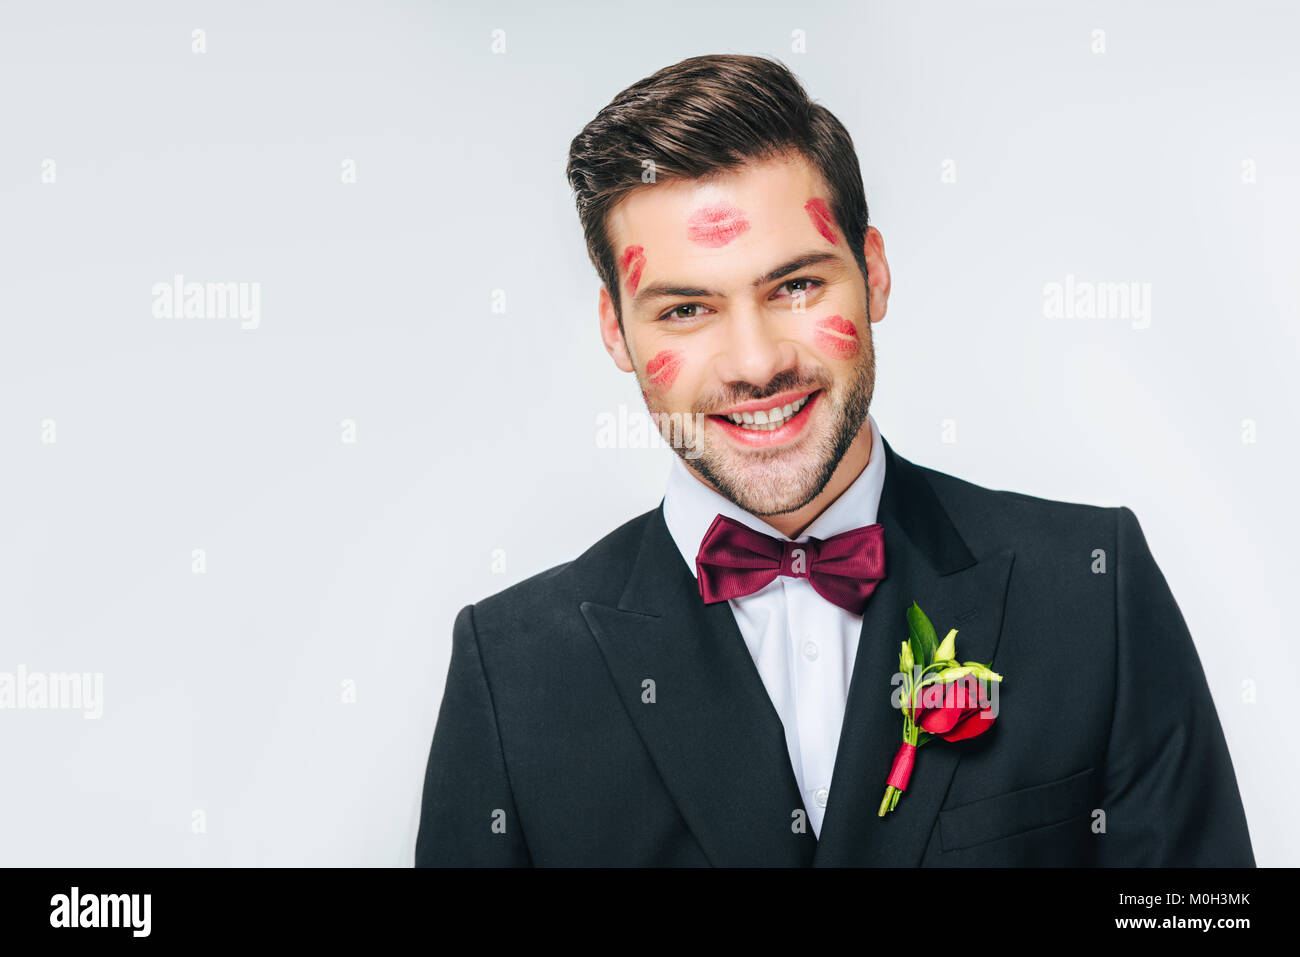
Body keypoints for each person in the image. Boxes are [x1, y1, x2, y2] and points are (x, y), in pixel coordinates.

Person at [415, 54, 1254, 866]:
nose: (754, 360)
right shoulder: (512, 670)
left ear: (874, 271)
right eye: (685, 308)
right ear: (615, 331)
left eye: (796, 286)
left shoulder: (1091, 589)